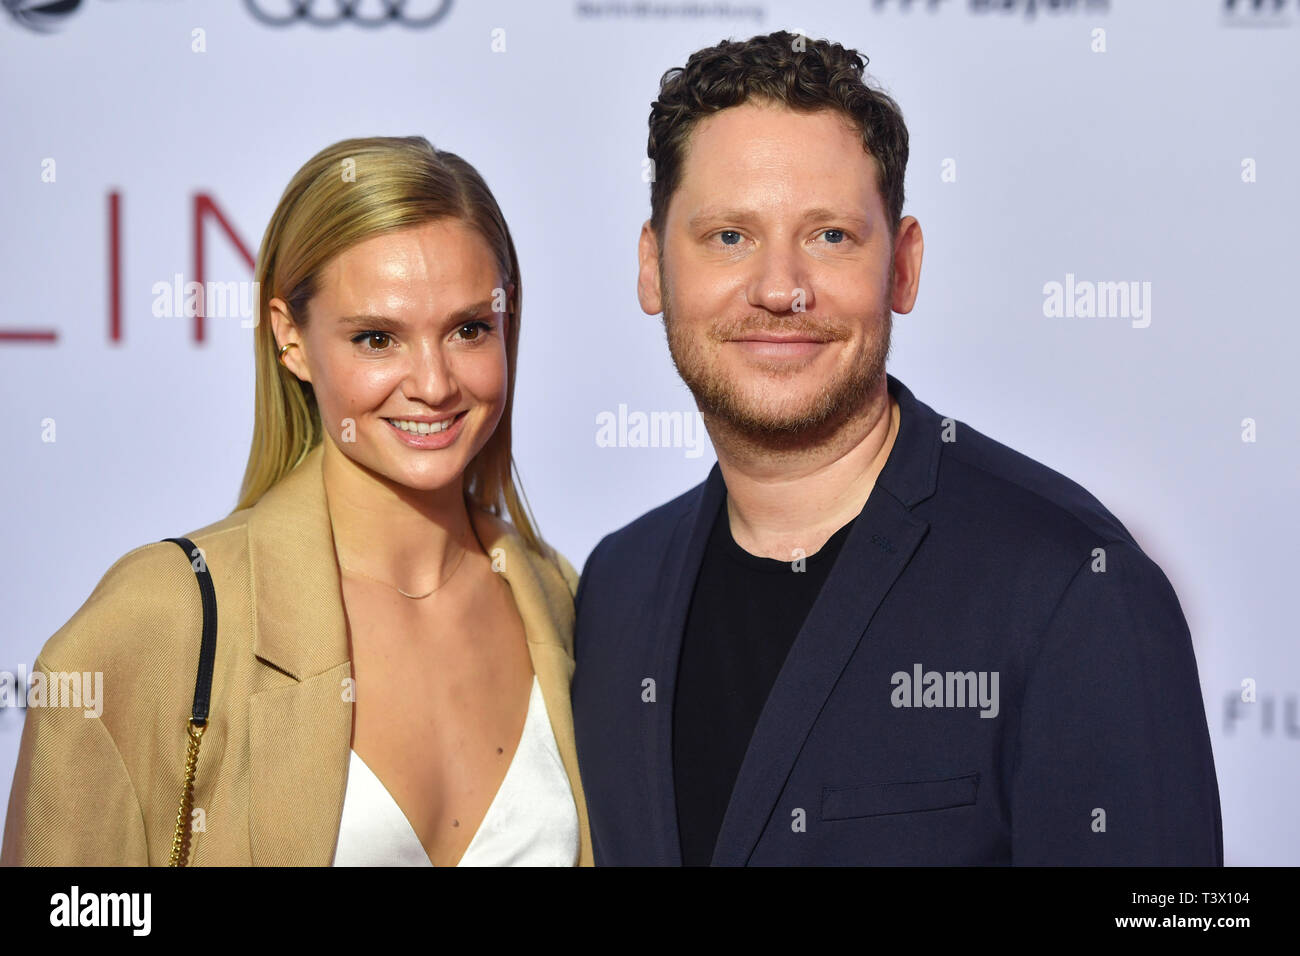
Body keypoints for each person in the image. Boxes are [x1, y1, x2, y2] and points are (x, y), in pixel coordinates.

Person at [570, 32, 1223, 866]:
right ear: (653, 267)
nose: (780, 288)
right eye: (729, 236)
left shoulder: (1074, 589)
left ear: (904, 266)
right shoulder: (617, 590)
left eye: (831, 236)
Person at [1, 136, 592, 867]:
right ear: (291, 339)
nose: (434, 383)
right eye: (378, 338)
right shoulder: (158, 621)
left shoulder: (558, 597)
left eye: (469, 329)